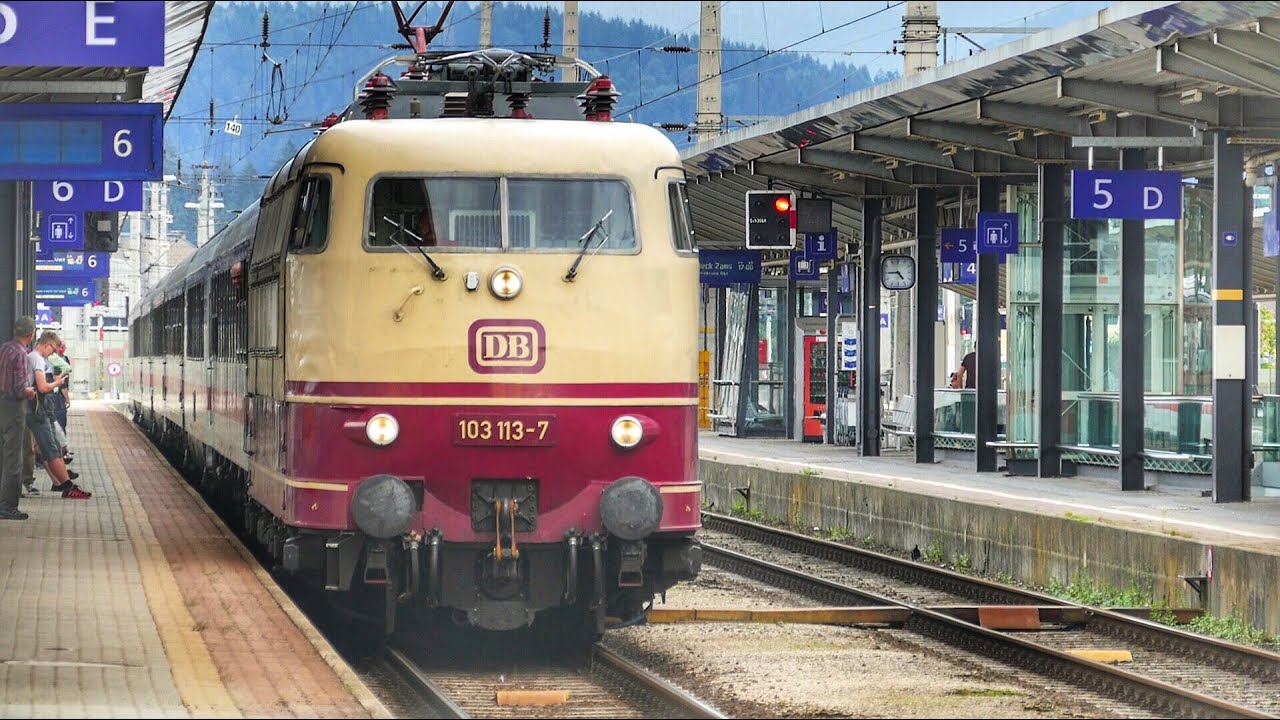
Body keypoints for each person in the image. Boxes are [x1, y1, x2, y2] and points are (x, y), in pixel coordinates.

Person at [26, 331, 88, 499]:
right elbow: (42, 387)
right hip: (37, 410)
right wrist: (57, 383)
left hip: (36, 409)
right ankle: (67, 487)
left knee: (49, 447)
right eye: (53, 349)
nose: (53, 353)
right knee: (51, 448)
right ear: (47, 345)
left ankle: (62, 483)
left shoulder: (33, 357)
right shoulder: (37, 359)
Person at [0, 317, 37, 520]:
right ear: (31, 334)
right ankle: (8, 506)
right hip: (14, 408)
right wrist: (30, 392)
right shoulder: (22, 354)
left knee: (2, 454)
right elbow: (20, 388)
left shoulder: (4, 348)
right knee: (14, 458)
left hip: (1, 405)